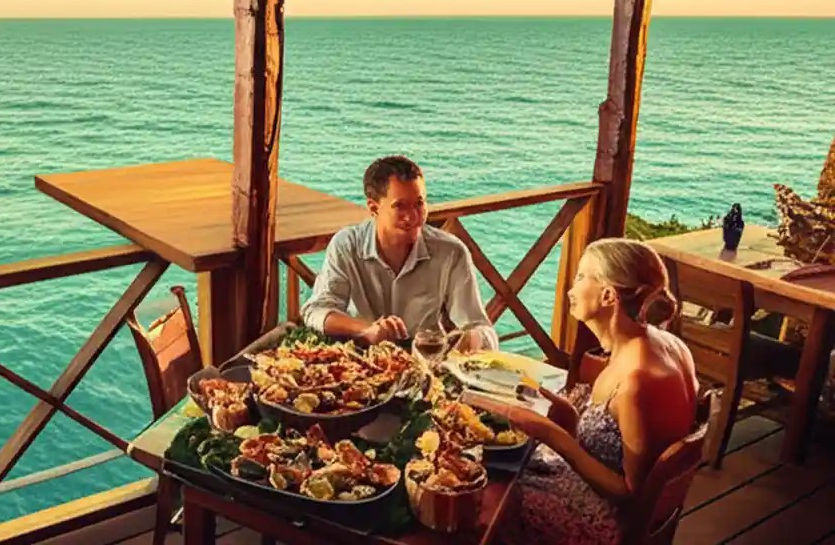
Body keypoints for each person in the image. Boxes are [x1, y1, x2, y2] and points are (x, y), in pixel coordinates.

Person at [493, 238, 698, 545]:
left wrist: (556, 438)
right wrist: (572, 420)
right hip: (605, 499)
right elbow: (618, 443)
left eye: (580, 277)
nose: (570, 289)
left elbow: (630, 493)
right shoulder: (665, 344)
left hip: (607, 523)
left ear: (607, 296)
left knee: (491, 500)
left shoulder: (636, 380)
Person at [299, 155, 498, 352]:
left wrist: (473, 338)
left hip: (425, 363)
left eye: (419, 203)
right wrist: (367, 329)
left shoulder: (451, 252)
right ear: (374, 208)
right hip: (359, 361)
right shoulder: (347, 245)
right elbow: (316, 311)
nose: (412, 216)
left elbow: (482, 328)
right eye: (400, 206)